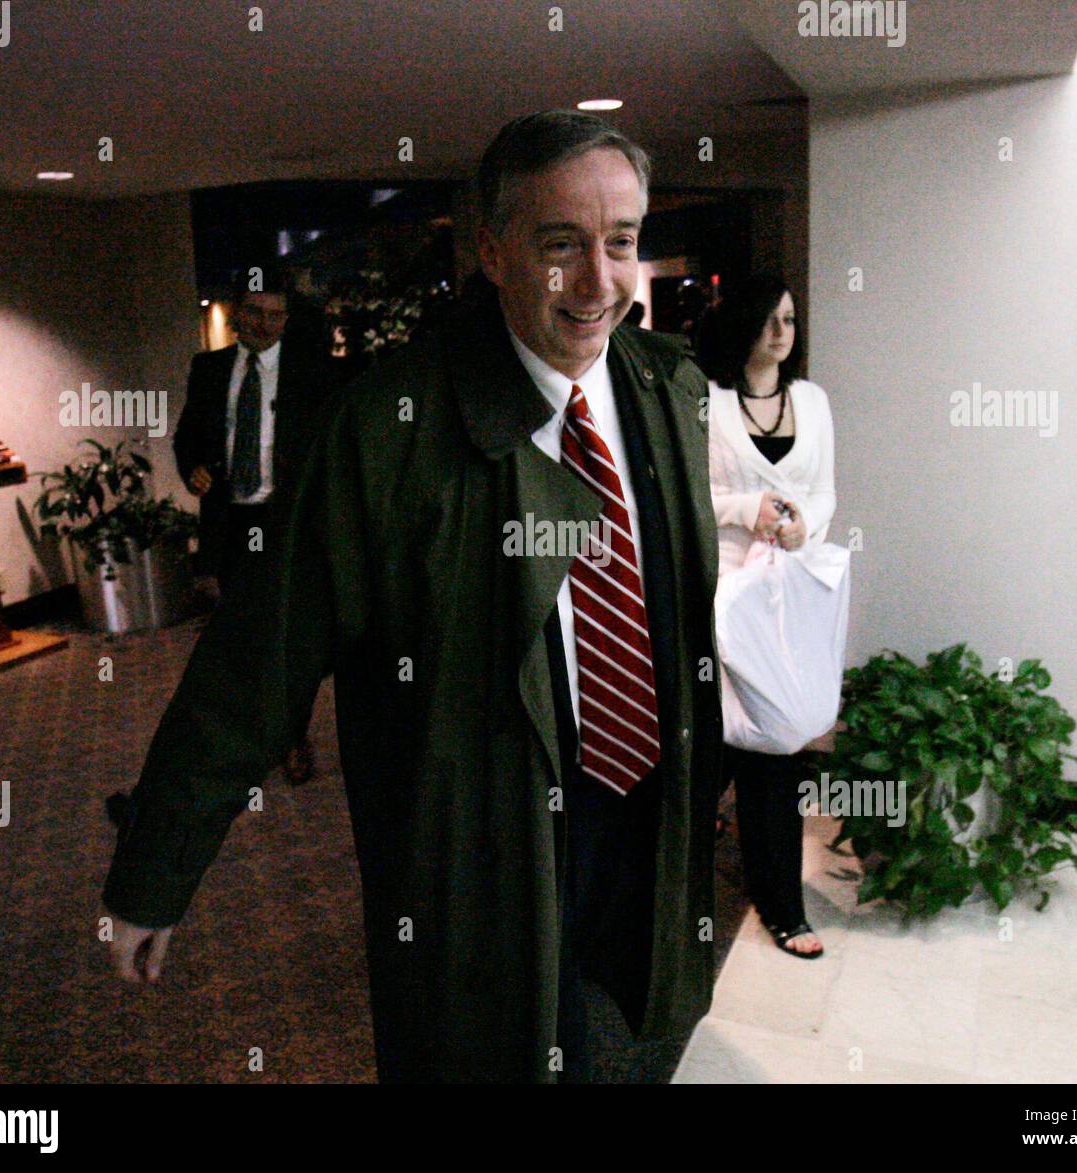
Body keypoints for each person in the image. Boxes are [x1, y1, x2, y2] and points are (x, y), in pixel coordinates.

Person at [101, 110, 724, 1083]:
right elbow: (253, 666)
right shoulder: (383, 430)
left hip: (645, 830)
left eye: (622, 243)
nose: (600, 281)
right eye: (561, 244)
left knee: (638, 1040)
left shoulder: (668, 391)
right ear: (492, 251)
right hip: (488, 861)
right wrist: (156, 868)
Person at [700, 273, 836, 959]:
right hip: (720, 597)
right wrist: (742, 510)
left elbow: (824, 490)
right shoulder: (709, 401)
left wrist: (801, 524)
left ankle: (783, 904)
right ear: (743, 325)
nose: (783, 332)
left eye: (790, 319)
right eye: (770, 319)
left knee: (776, 751)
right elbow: (690, 486)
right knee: (706, 751)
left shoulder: (811, 401)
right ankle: (675, 890)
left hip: (784, 599)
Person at [172, 265, 337, 783]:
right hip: (234, 518)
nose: (265, 324)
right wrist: (193, 468)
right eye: (255, 313)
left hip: (287, 520)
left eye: (275, 316)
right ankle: (252, 732)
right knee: (243, 634)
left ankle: (292, 736)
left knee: (290, 635)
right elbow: (188, 438)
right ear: (238, 314)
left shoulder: (312, 372)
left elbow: (330, 446)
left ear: (286, 320)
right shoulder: (209, 368)